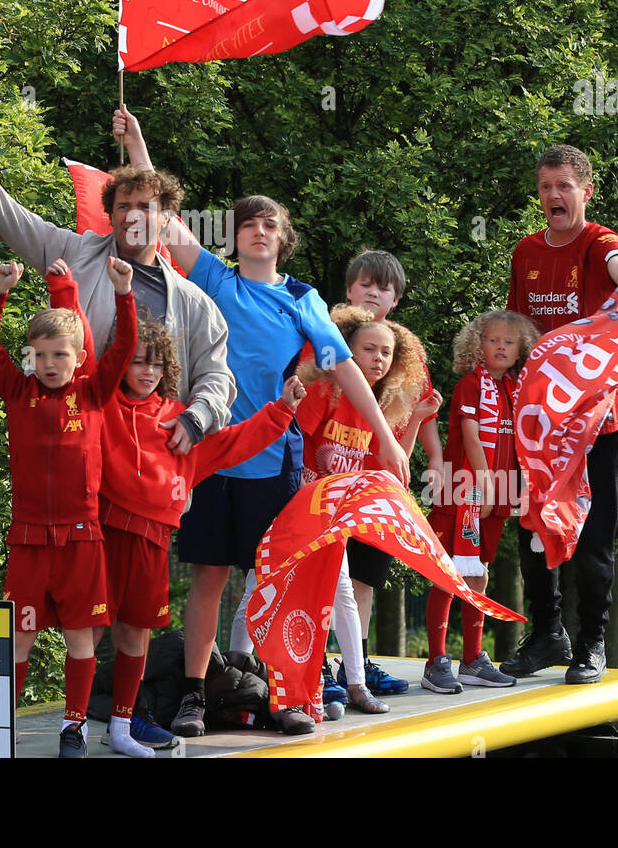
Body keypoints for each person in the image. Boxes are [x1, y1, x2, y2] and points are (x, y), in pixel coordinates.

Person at [115, 108, 411, 738]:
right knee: (208, 577)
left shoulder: (303, 299)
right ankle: (194, 694)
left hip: (274, 458)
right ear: (235, 237)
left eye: (268, 225)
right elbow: (162, 215)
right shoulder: (214, 279)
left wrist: (386, 437)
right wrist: (137, 140)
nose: (257, 231)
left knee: (277, 579)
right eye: (247, 223)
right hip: (210, 451)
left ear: (284, 238)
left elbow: (346, 370)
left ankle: (284, 694)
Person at [50, 270, 307, 754]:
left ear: (167, 369)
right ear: (121, 365)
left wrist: (283, 410)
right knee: (88, 629)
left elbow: (235, 443)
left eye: (155, 364)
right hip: (101, 537)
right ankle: (75, 725)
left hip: (151, 543)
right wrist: (66, 291)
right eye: (136, 362)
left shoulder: (180, 421)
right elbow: (81, 358)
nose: (145, 371)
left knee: (135, 633)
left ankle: (123, 727)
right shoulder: (99, 405)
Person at [0, 110, 234, 454]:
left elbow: (216, 375)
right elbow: (12, 220)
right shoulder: (75, 253)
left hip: (149, 458)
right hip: (73, 444)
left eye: (144, 207)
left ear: (166, 220)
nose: (132, 214)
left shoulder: (193, 303)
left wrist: (197, 417)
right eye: (123, 206)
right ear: (111, 215)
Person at [0, 255, 137, 758]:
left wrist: (123, 293)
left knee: (79, 640)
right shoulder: (16, 390)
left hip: (81, 540)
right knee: (18, 638)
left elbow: (126, 346)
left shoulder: (94, 393)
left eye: (59, 355)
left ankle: (74, 729)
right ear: (30, 357)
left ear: (79, 357)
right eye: (40, 355)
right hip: (27, 540)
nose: (49, 364)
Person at [502, 145, 618, 684]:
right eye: (545, 187)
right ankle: (547, 633)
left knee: (592, 535)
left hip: (597, 420)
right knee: (531, 529)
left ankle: (592, 642)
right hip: (538, 421)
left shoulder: (599, 241)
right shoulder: (525, 250)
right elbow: (513, 325)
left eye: (564, 186)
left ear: (586, 191)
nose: (553, 196)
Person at [295, 308, 440, 714]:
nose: (378, 358)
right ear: (346, 351)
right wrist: (299, 494)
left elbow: (395, 466)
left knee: (341, 590)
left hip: (338, 516)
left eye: (387, 352)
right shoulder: (326, 390)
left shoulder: (383, 406)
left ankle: (352, 681)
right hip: (307, 507)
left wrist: (418, 419)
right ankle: (302, 672)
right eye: (368, 349)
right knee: (288, 589)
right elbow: (293, 436)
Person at [331, 250, 445, 697]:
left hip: (379, 480)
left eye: (385, 288)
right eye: (366, 285)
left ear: (396, 299)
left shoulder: (407, 351)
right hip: (332, 477)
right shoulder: (327, 338)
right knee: (327, 576)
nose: (375, 293)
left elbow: (424, 408)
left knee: (364, 577)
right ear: (349, 291)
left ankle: (354, 665)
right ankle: (318, 663)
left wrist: (434, 458)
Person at [423, 310, 538, 693]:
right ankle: (436, 660)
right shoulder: (471, 385)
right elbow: (471, 435)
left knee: (479, 574)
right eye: (493, 340)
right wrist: (485, 482)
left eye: (509, 341)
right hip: (463, 491)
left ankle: (472, 658)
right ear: (477, 344)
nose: (501, 346)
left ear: (521, 349)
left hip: (499, 493)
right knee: (447, 574)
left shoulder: (516, 389)